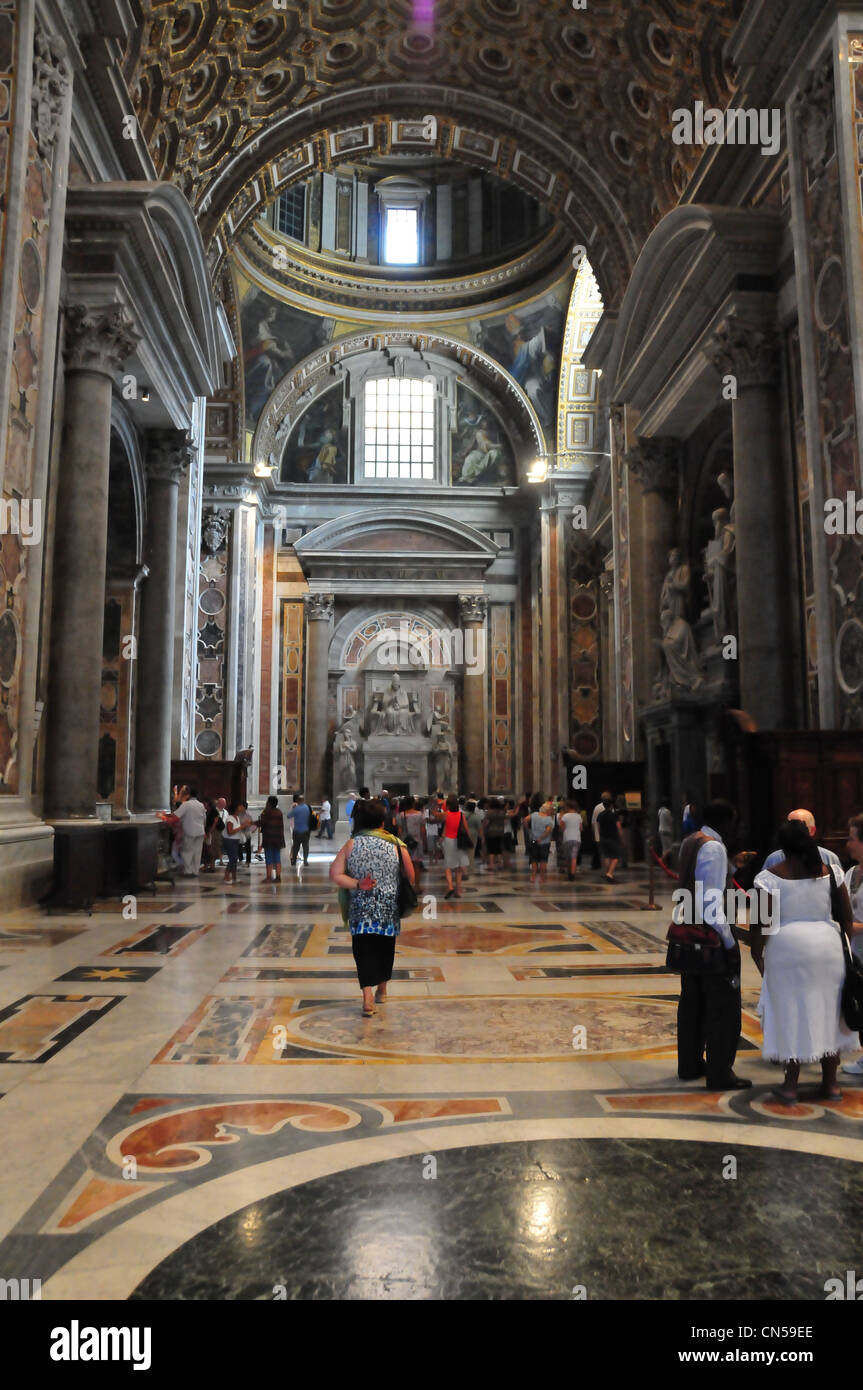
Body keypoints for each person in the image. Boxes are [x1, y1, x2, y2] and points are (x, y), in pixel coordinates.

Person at [751, 819, 857, 1103]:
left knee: (790, 1013)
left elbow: (760, 926)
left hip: (787, 949)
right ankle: (831, 1084)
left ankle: (790, 1085)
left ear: (782, 847)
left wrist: (758, 956)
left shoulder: (768, 878)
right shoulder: (831, 873)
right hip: (827, 947)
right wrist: (842, 949)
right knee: (829, 1012)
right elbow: (846, 918)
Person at [675, 799, 751, 1091]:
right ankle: (720, 1073)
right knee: (723, 1006)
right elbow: (710, 902)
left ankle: (690, 1064)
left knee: (693, 1001)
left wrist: (731, 867)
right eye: (733, 822)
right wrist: (729, 942)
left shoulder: (691, 841)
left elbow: (697, 884)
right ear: (725, 822)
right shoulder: (714, 847)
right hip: (709, 937)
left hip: (687, 931)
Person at [329, 799, 415, 1017]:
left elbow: (335, 874)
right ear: (381, 821)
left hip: (361, 908)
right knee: (385, 949)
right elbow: (411, 877)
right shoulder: (396, 844)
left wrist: (358, 884)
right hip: (388, 908)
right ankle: (382, 989)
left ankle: (367, 997)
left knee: (364, 951)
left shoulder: (351, 844)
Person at [762, 808, 844, 883]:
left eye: (798, 828)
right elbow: (764, 896)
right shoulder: (772, 860)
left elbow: (838, 894)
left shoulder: (830, 858)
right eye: (789, 827)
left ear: (812, 831)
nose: (792, 833)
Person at [842, 814, 863, 1075]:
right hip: (855, 951)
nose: (847, 843)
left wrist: (851, 928)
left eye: (851, 838)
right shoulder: (851, 873)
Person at [172, 785, 207, 876]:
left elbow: (176, 816)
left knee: (187, 851)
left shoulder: (186, 805)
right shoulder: (201, 805)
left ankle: (188, 871)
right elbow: (204, 819)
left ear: (189, 795)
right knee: (197, 852)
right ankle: (195, 871)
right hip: (200, 831)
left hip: (190, 831)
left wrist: (165, 817)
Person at [442, 793, 471, 898]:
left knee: (448, 866)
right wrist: (469, 840)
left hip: (449, 841)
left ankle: (450, 886)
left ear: (448, 805)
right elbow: (467, 829)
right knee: (458, 867)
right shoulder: (461, 815)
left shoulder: (446, 814)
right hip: (459, 841)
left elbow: (436, 816)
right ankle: (458, 891)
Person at [397, 795, 426, 889]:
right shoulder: (420, 815)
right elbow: (423, 830)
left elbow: (399, 831)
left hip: (404, 843)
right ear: (414, 803)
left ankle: (407, 887)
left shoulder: (401, 815)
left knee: (405, 866)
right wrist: (423, 841)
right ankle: (417, 886)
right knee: (417, 866)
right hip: (417, 842)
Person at [257, 795, 286, 882]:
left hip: (269, 839)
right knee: (277, 858)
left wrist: (252, 823)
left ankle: (269, 877)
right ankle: (278, 877)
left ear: (269, 803)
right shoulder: (279, 812)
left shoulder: (267, 812)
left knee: (269, 859)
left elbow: (262, 822)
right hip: (278, 839)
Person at [529, 798, 555, 885]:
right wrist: (541, 837)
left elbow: (525, 820)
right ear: (547, 810)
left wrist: (528, 831)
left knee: (534, 859)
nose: (552, 811)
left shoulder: (534, 814)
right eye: (551, 809)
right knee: (543, 860)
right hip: (544, 843)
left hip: (533, 840)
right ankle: (541, 878)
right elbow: (548, 831)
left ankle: (533, 877)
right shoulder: (549, 819)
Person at [220, 801, 246, 885]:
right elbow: (230, 831)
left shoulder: (237, 817)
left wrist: (243, 826)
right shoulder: (230, 818)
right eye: (240, 806)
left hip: (235, 840)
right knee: (233, 859)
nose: (241, 808)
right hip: (229, 840)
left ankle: (234, 878)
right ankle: (226, 877)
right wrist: (241, 827)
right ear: (235, 808)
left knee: (234, 859)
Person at [597, 794, 621, 882]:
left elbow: (598, 827)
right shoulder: (614, 815)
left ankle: (607, 872)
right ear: (611, 805)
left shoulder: (600, 815)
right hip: (613, 837)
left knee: (606, 856)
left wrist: (599, 836)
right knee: (615, 856)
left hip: (603, 837)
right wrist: (621, 836)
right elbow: (618, 827)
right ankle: (610, 873)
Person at [482, 797, 507, 872]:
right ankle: (500, 864)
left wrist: (483, 827)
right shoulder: (502, 812)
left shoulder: (489, 813)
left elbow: (486, 823)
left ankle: (491, 865)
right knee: (499, 849)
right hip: (500, 832)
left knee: (491, 849)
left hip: (491, 833)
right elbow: (505, 822)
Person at [559, 799, 582, 880]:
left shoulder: (565, 816)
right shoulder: (578, 816)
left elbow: (561, 827)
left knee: (568, 857)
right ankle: (572, 874)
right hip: (577, 839)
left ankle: (569, 872)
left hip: (567, 838)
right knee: (574, 857)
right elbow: (581, 828)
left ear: (567, 807)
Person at [288, 793, 312, 866]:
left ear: (298, 800)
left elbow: (289, 816)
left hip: (297, 830)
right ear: (303, 800)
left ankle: (294, 861)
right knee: (305, 846)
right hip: (306, 830)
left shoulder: (296, 808)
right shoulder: (307, 807)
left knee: (296, 846)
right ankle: (305, 861)